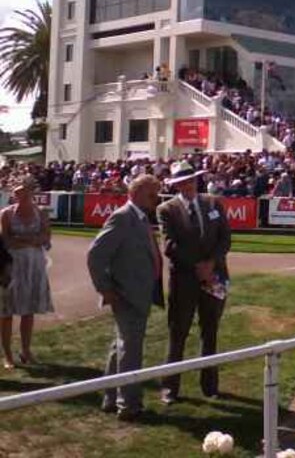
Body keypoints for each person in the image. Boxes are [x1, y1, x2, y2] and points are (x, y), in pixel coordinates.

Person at [87, 175, 163, 420]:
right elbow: (95, 255)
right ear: (137, 193)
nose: (157, 199)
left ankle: (110, 398)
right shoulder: (122, 217)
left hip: (136, 293)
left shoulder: (139, 218)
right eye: (152, 194)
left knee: (120, 346)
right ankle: (128, 405)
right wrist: (106, 289)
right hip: (126, 294)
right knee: (131, 350)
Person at [157, 161, 231, 405]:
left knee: (210, 332)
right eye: (181, 182)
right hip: (184, 280)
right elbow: (169, 246)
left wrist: (211, 263)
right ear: (176, 185)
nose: (187, 185)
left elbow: (225, 238)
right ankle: (170, 388)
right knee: (178, 333)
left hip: (214, 276)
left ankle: (210, 386)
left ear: (196, 180)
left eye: (190, 180)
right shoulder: (167, 209)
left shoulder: (213, 203)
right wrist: (198, 267)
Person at [0, 176, 54, 370]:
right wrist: (30, 240)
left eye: (22, 191)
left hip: (34, 265)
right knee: (6, 311)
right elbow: (5, 239)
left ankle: (26, 350)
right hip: (12, 266)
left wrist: (24, 240)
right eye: (16, 192)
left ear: (31, 193)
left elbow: (46, 236)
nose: (18, 195)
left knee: (28, 310)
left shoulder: (41, 213)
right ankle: (7, 355)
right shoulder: (6, 214)